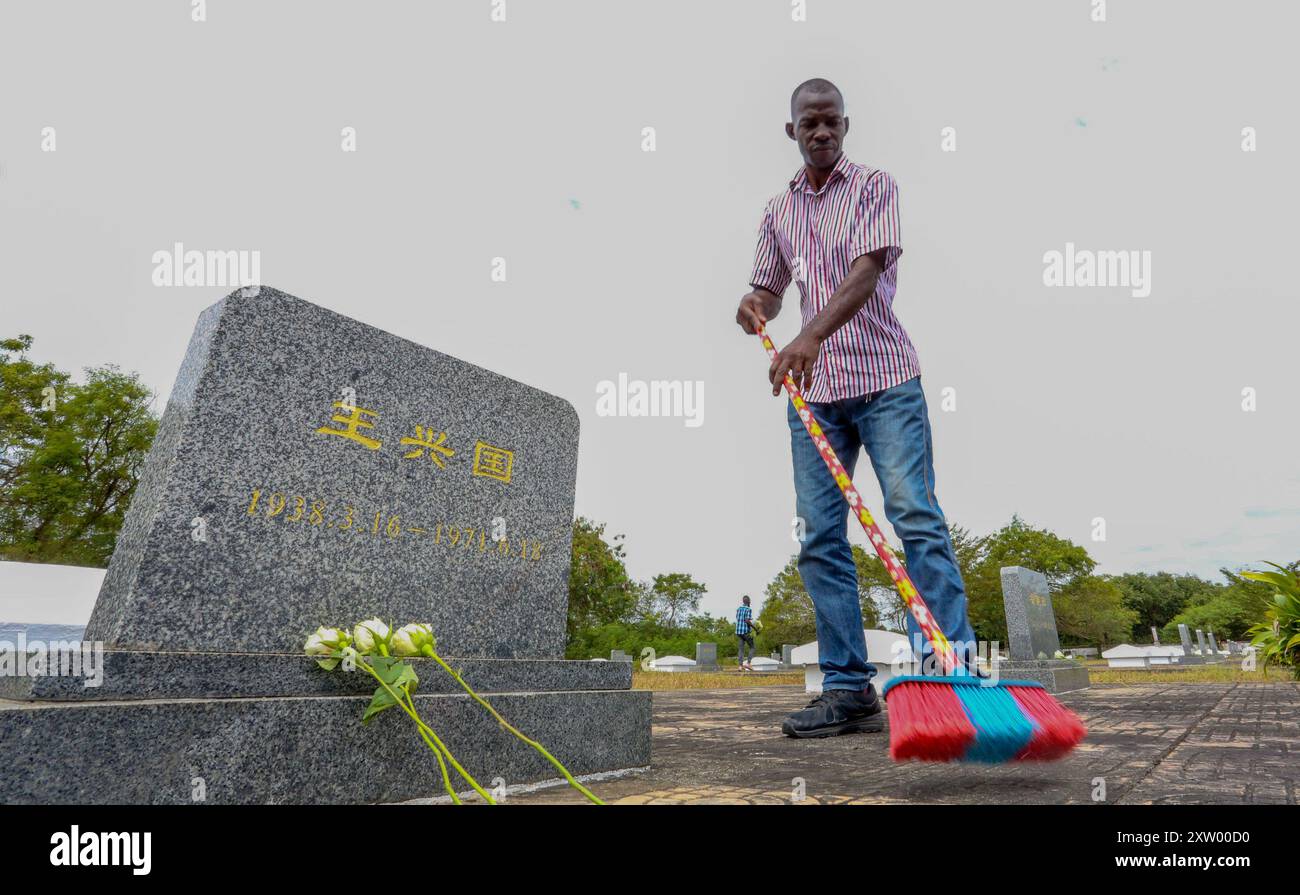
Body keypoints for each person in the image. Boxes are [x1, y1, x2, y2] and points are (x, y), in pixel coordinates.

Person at [735, 78, 979, 739]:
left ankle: (949, 673)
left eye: (831, 123)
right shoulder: (776, 210)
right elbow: (771, 286)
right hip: (814, 398)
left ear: (846, 125)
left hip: (886, 382)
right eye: (808, 124)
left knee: (914, 517)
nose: (821, 133)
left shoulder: (875, 186)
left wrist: (809, 335)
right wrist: (757, 304)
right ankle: (847, 689)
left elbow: (868, 269)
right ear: (791, 131)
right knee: (818, 537)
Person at [735, 595, 756, 671]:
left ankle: (740, 666)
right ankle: (748, 663)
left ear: (743, 601)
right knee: (752, 647)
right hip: (745, 631)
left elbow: (738, 618)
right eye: (750, 601)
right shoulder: (748, 609)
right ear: (748, 601)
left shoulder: (738, 609)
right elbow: (747, 620)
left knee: (741, 649)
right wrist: (755, 628)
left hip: (738, 631)